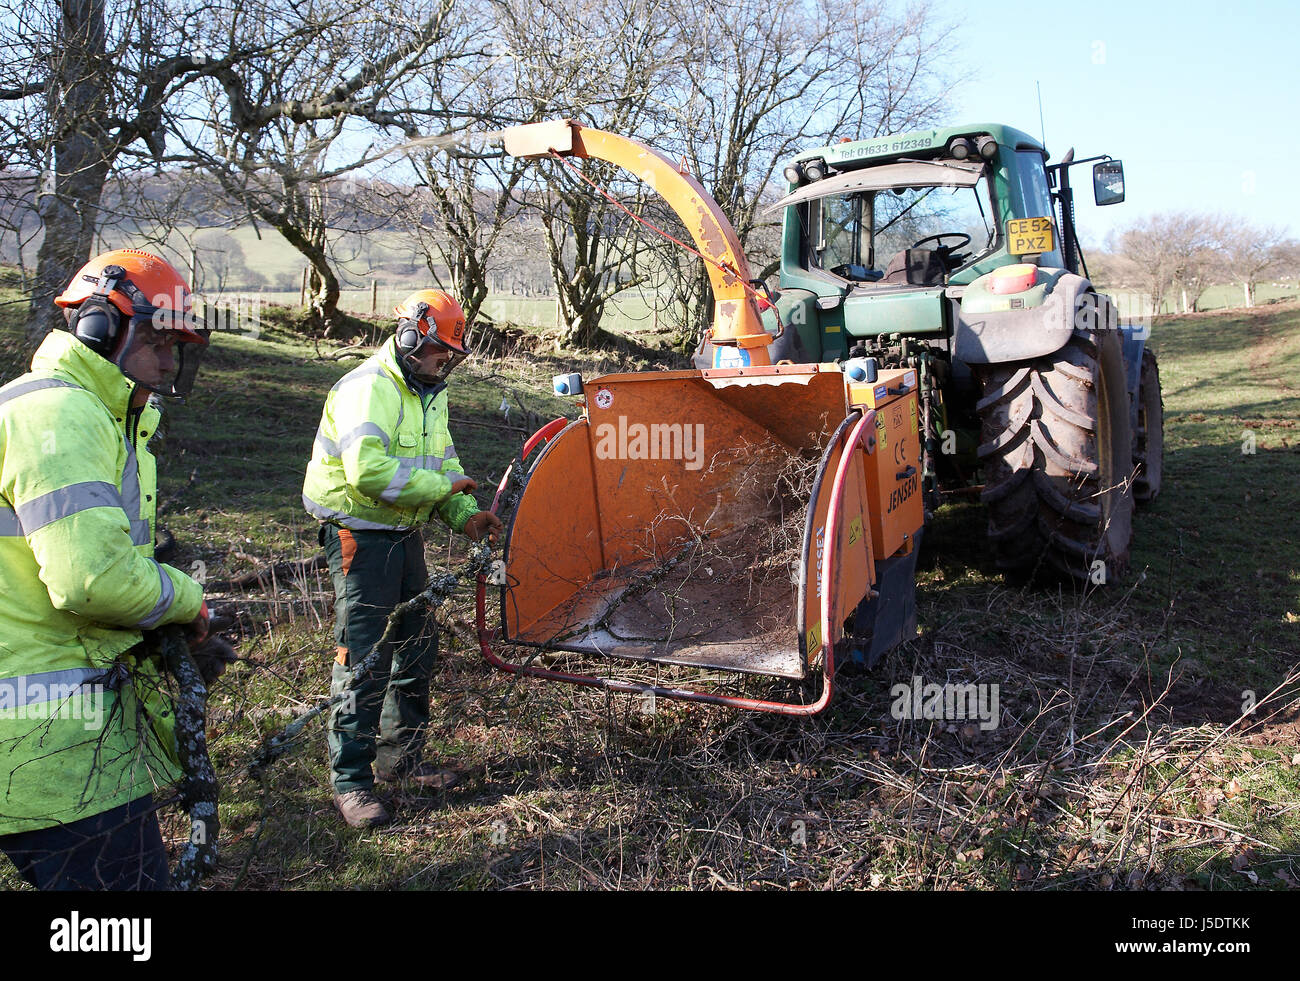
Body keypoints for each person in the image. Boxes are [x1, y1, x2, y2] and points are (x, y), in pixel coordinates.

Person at [0, 249, 218, 889]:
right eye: (157, 340)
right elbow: (90, 579)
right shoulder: (61, 415)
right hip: (52, 742)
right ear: (101, 327)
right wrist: (188, 600)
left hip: (60, 726)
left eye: (177, 345)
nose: (170, 360)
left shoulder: (99, 415)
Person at [303, 289, 501, 828]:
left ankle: (403, 760)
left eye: (452, 356)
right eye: (441, 352)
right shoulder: (370, 389)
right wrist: (443, 484)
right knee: (365, 655)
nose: (446, 363)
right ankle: (351, 782)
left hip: (403, 534)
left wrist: (464, 514)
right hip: (361, 536)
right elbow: (367, 472)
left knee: (416, 645)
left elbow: (445, 460)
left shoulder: (429, 392)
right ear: (412, 336)